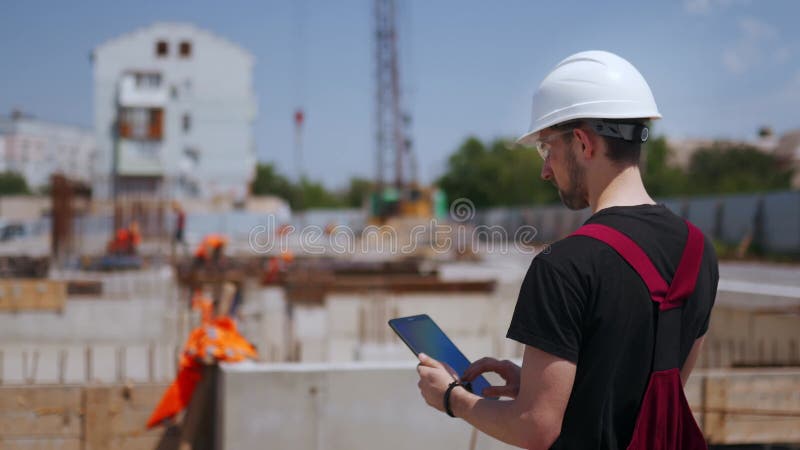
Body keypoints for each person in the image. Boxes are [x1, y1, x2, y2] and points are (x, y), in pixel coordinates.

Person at [416, 50, 718, 449]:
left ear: (582, 143)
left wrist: (453, 399)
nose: (545, 169)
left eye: (546, 148)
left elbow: (535, 428)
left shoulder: (564, 266)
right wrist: (537, 384)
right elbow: (655, 390)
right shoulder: (699, 251)